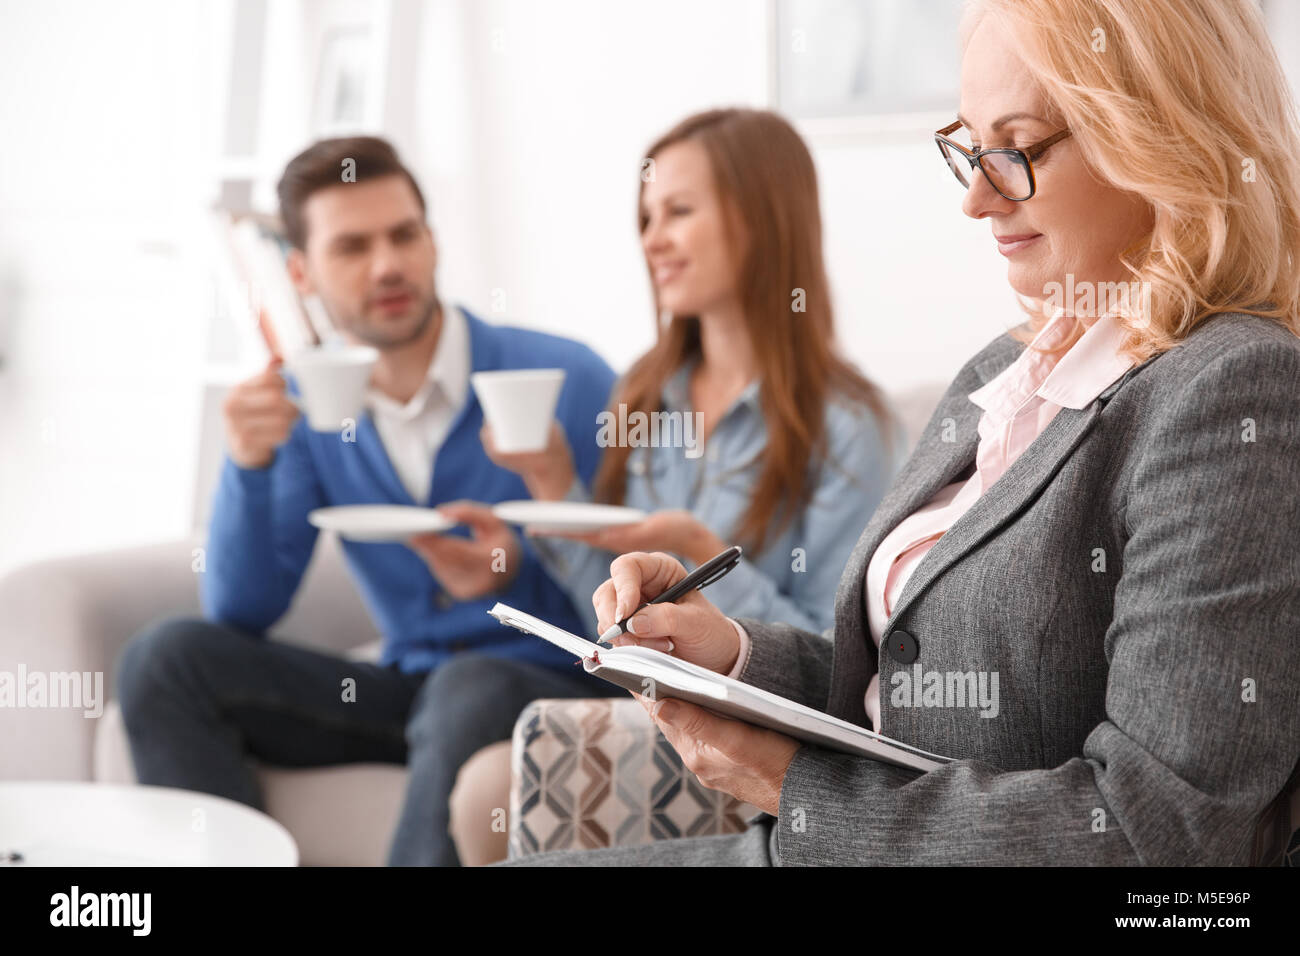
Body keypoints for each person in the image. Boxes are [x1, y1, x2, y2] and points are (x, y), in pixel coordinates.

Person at [503, 0, 1300, 866]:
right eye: (969, 147)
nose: (975, 197)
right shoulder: (1008, 368)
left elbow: (1158, 831)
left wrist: (794, 792)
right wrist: (729, 654)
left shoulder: (1232, 389)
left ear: (1159, 135)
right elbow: (913, 690)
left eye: (1016, 150)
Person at [114, 136, 624, 868]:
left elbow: (646, 598)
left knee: (468, 682)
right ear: (301, 272)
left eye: (403, 235)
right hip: (412, 692)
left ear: (432, 240)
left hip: (555, 683)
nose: (388, 265)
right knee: (167, 659)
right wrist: (249, 467)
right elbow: (242, 611)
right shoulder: (310, 406)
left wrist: (518, 565)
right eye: (352, 246)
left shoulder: (564, 378)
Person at [441, 109, 904, 863]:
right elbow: (611, 613)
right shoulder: (643, 397)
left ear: (761, 218)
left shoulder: (849, 427)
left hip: (739, 724)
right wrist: (556, 491)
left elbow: (843, 667)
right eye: (646, 217)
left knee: (487, 773)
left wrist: (702, 555)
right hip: (627, 686)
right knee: (466, 686)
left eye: (678, 212)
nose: (652, 239)